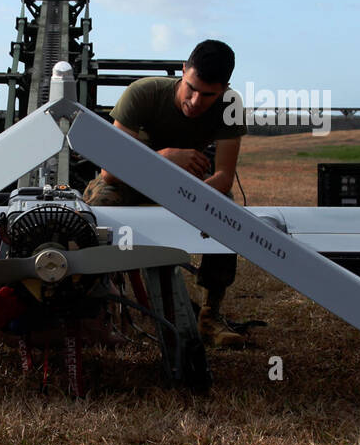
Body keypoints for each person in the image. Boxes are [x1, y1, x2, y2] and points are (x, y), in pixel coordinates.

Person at [82, 39, 248, 348]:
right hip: (129, 183)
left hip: (184, 189)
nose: (196, 101)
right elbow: (110, 171)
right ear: (183, 71)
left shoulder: (231, 107)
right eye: (191, 88)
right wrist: (164, 158)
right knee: (97, 210)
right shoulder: (143, 93)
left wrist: (184, 196)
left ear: (225, 88)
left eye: (208, 95)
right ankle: (95, 311)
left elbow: (224, 177)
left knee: (227, 214)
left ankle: (210, 317)